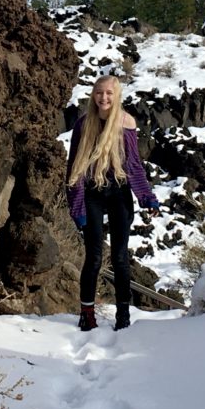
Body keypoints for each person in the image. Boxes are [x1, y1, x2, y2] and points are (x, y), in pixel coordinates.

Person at [66, 74, 159, 331]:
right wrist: (77, 208)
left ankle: (123, 316)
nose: (103, 97)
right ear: (93, 95)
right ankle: (87, 315)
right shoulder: (84, 124)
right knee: (94, 257)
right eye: (99, 92)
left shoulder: (126, 123)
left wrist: (147, 198)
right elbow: (74, 168)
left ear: (117, 95)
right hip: (92, 192)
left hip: (119, 190)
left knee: (120, 257)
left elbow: (134, 165)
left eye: (109, 93)